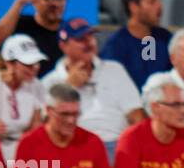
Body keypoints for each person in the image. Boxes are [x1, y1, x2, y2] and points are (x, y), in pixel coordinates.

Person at [41, 18, 145, 156]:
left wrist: (140, 148)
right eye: (80, 39)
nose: (88, 43)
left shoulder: (114, 69)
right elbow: (45, 126)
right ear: (63, 46)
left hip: (117, 144)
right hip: (74, 148)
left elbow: (136, 114)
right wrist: (68, 87)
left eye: (90, 36)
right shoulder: (50, 82)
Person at [15, 82, 118, 168]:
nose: (71, 121)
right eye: (64, 114)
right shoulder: (29, 144)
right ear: (49, 111)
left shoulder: (93, 143)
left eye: (75, 114)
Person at [0, 35, 48, 160]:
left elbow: (36, 126)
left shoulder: (37, 85)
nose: (34, 68)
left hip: (21, 149)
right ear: (9, 64)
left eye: (36, 63)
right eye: (28, 64)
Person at [100, 0, 175, 90]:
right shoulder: (116, 46)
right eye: (152, 1)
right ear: (134, 6)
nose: (159, 6)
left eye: (159, 1)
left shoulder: (166, 38)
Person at [0, 0, 67, 77]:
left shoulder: (70, 31)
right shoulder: (21, 24)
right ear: (34, 1)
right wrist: (20, 2)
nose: (55, 4)